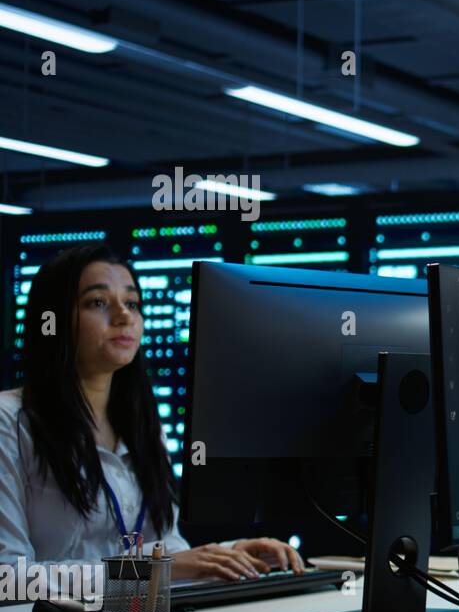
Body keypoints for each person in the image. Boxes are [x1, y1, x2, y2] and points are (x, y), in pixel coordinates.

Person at [0, 244, 304, 589]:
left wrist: (227, 554)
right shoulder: (9, 421)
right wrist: (152, 569)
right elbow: (9, 576)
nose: (124, 316)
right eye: (97, 302)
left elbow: (166, 549)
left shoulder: (140, 423)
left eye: (132, 303)